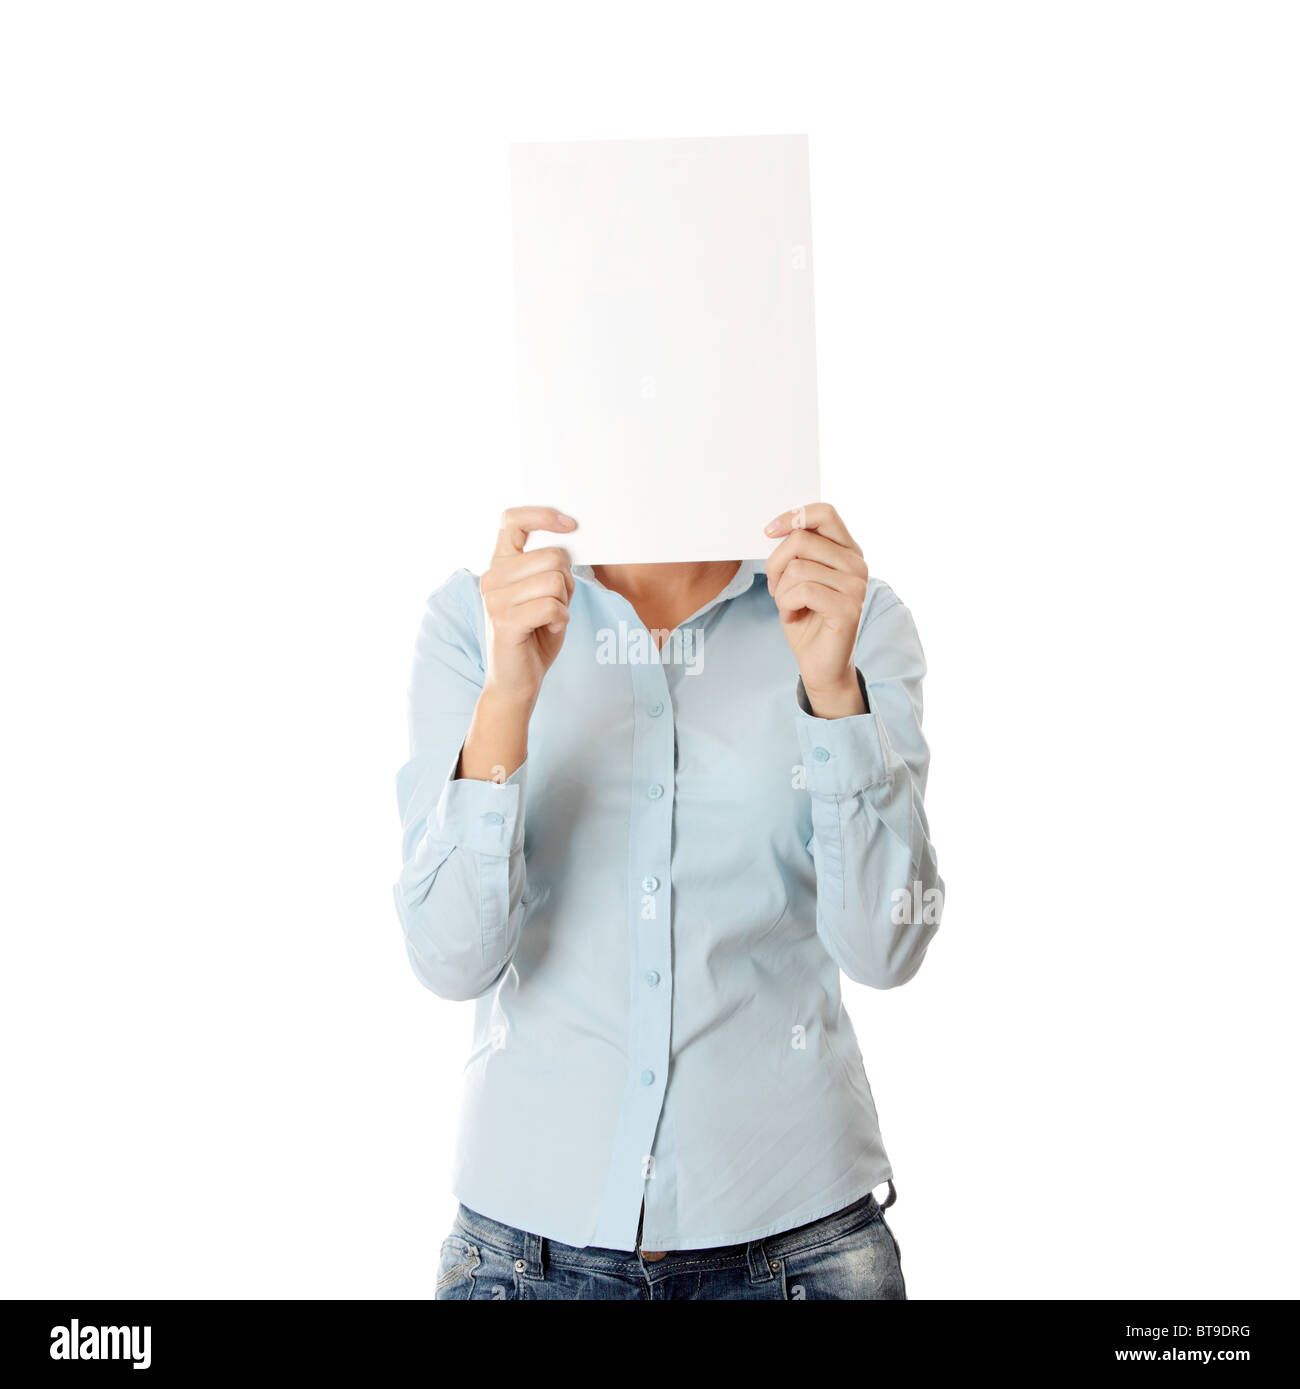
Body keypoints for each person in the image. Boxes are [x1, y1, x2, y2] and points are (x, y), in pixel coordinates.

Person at [392, 501, 944, 1300]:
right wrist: (507, 700)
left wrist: (832, 690)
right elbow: (448, 958)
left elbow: (885, 948)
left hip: (800, 1252)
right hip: (525, 1261)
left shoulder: (851, 615)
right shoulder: (474, 619)